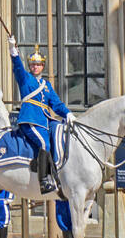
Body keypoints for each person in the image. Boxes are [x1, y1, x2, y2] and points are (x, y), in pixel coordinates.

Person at [8, 38, 75, 195]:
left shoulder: (47, 85)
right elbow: (18, 67)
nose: (35, 67)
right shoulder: (26, 79)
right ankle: (43, 181)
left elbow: (56, 104)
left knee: (59, 135)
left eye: (37, 65)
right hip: (30, 119)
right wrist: (13, 51)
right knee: (44, 145)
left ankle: (57, 172)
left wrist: (68, 113)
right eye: (32, 64)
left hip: (45, 120)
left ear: (42, 66)